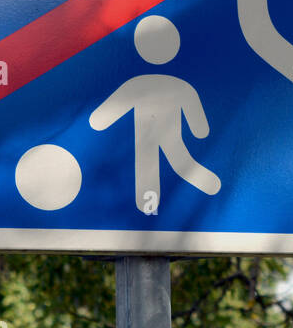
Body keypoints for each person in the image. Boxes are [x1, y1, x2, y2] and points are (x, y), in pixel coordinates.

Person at [89, 15, 220, 213]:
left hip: (146, 138)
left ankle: (149, 207)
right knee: (180, 161)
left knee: (153, 165)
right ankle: (207, 187)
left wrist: (100, 120)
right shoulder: (180, 86)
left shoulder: (137, 85)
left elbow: (100, 119)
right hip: (166, 137)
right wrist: (199, 129)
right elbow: (200, 127)